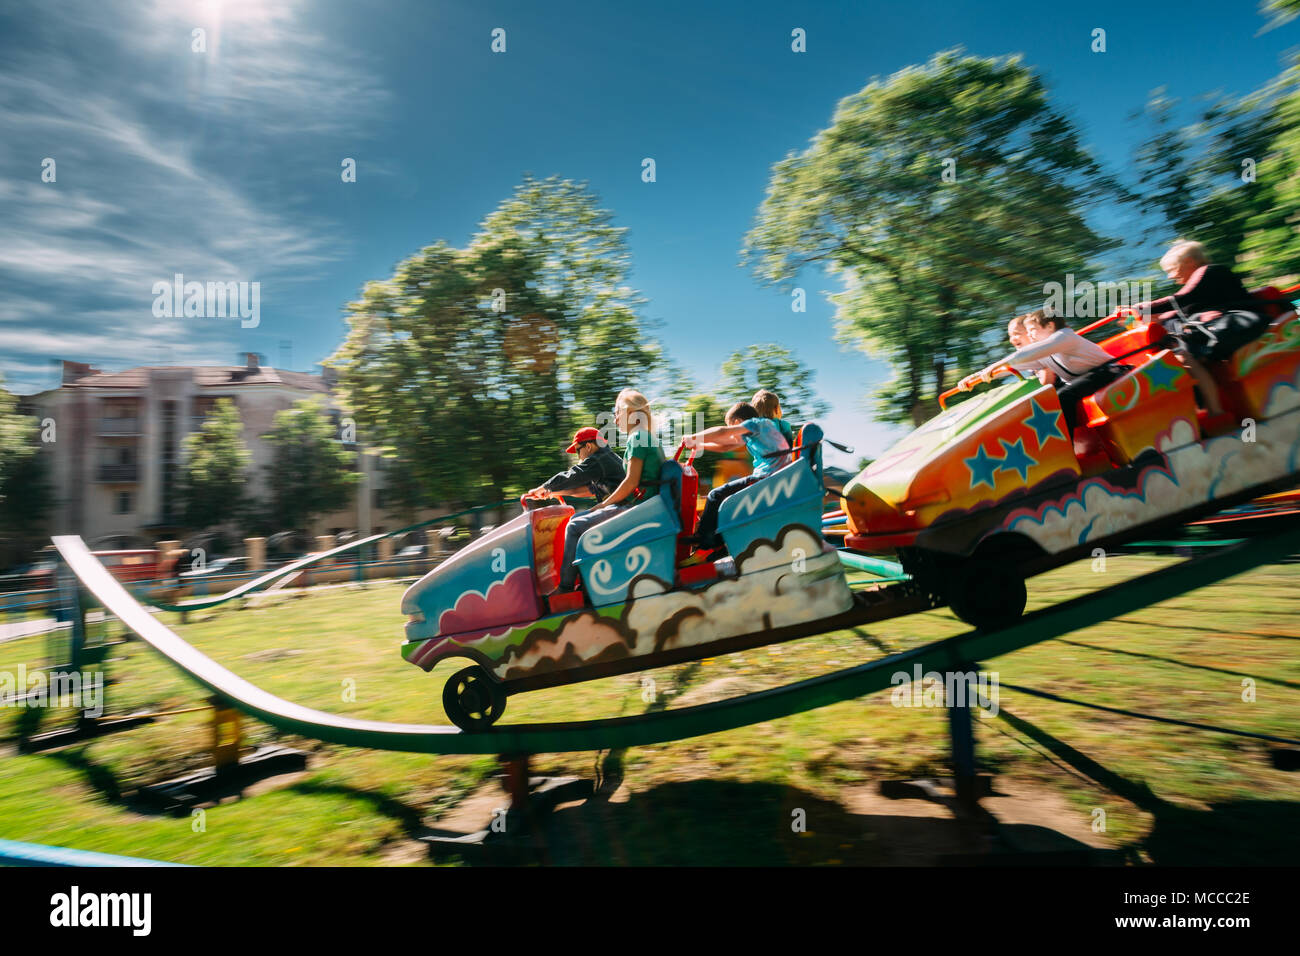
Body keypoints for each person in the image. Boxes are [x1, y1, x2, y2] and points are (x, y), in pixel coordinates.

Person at [1132, 240, 1274, 416]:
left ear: (1190, 261)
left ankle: (1215, 412)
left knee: (1185, 352)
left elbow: (1183, 298)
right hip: (1220, 332)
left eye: (1171, 270)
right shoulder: (1199, 288)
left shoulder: (1210, 272)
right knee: (1182, 355)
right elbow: (1175, 312)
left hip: (1239, 326)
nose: (1170, 276)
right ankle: (1207, 412)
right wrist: (1151, 318)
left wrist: (1143, 308)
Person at [554, 389, 664, 593]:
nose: (614, 419)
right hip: (647, 506)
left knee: (575, 525)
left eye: (616, 413)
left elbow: (631, 482)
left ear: (629, 412)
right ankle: (586, 585)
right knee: (584, 520)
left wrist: (604, 504)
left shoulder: (637, 438)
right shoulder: (646, 436)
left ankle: (566, 587)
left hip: (639, 509)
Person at [970, 309, 1121, 434]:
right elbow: (1012, 368)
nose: (1029, 335)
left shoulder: (1064, 336)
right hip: (1090, 378)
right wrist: (976, 378)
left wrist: (993, 366)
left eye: (1032, 330)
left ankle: (1065, 446)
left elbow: (1026, 354)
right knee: (1048, 401)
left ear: (1050, 326)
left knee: (1063, 396)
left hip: (1110, 372)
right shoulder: (1046, 354)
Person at [682, 402, 791, 552]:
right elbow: (727, 445)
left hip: (766, 476)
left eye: (731, 426)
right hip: (773, 476)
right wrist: (701, 445)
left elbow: (722, 432)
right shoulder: (759, 429)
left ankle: (704, 538)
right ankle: (719, 541)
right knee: (727, 501)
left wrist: (693, 437)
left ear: (738, 422)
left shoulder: (754, 424)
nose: (732, 431)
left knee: (715, 495)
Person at [524, 427, 625, 504]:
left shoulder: (598, 459)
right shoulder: (606, 461)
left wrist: (543, 487)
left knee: (573, 525)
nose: (579, 457)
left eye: (578, 451)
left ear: (588, 446)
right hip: (623, 505)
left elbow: (572, 476)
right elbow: (577, 491)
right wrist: (551, 492)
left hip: (622, 507)